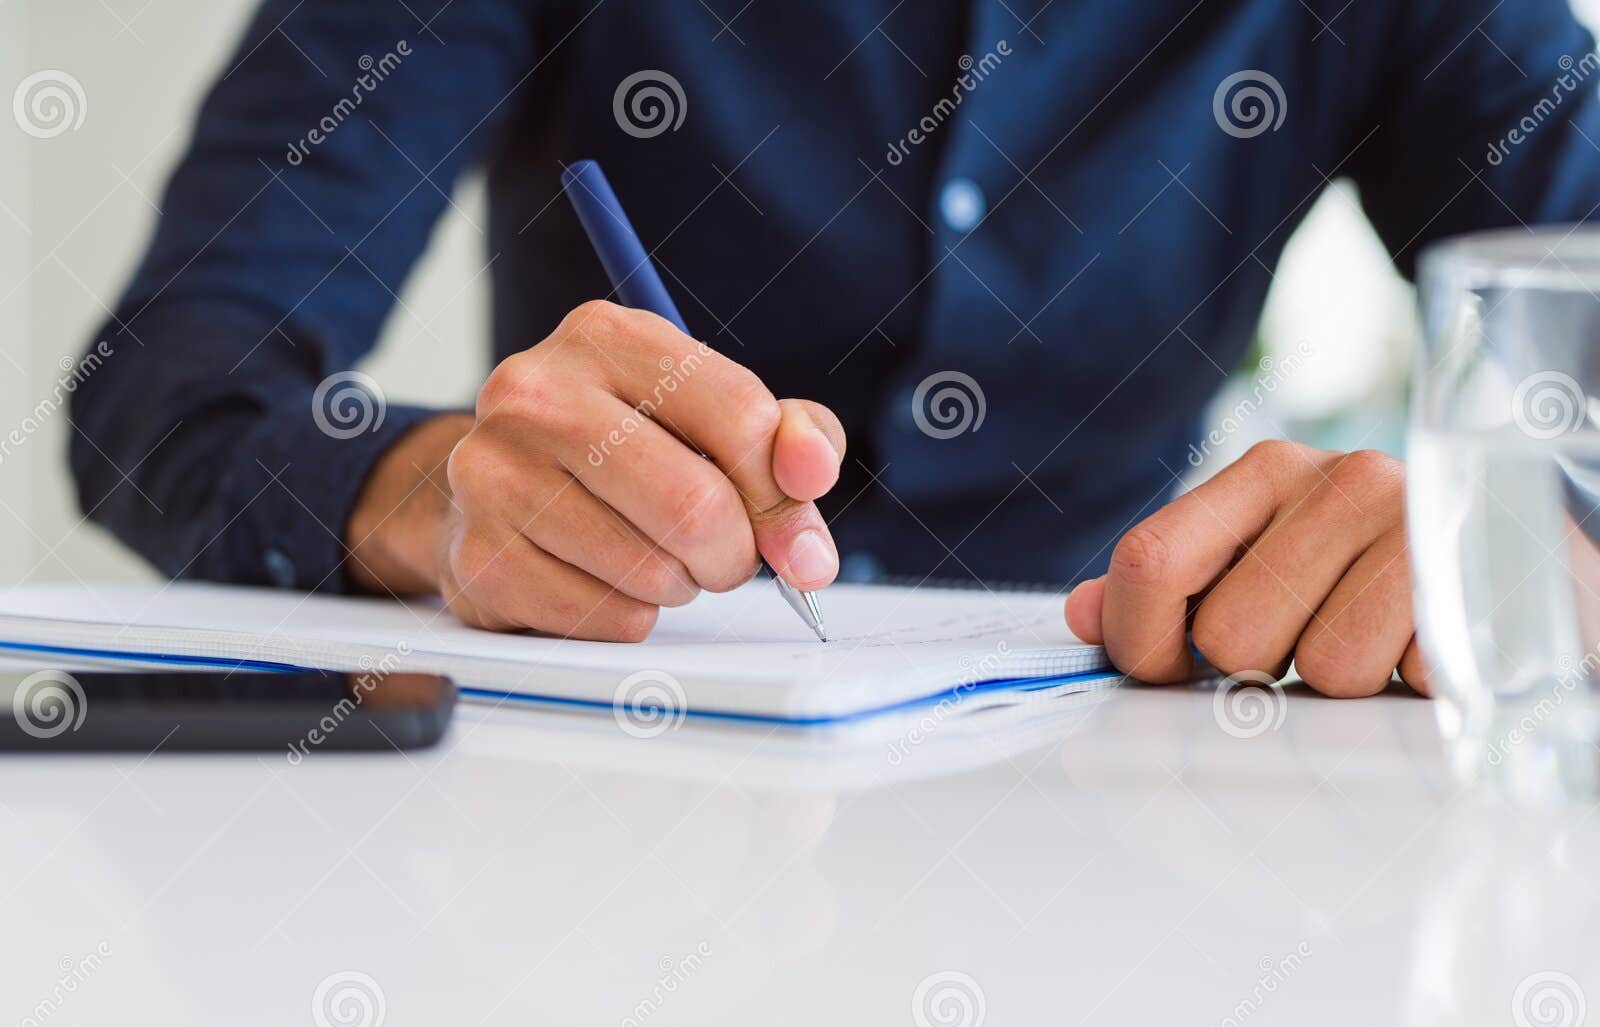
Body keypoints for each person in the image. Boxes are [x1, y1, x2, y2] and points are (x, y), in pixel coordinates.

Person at [69, 0, 1600, 697]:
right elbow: (162, 379)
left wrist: (1531, 549)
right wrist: (422, 496)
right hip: (602, 806)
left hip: (1138, 771)